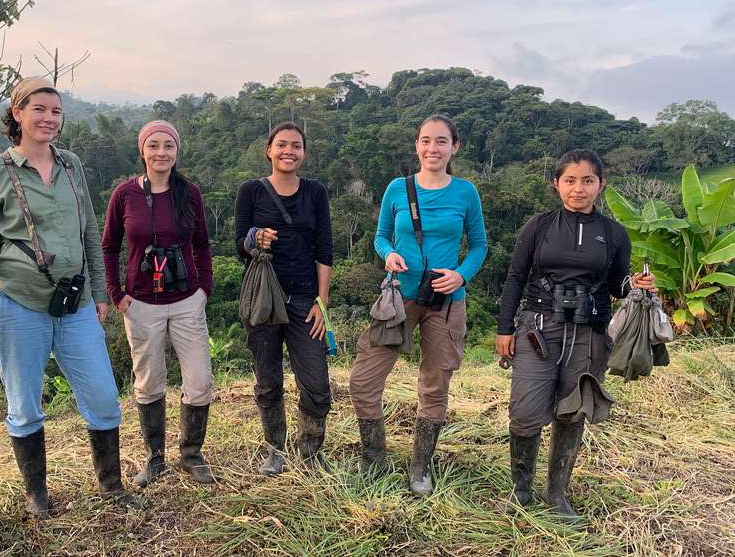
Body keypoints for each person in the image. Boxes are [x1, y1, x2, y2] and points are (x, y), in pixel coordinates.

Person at [0, 76, 135, 519]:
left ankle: (111, 487)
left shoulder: (71, 165)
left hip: (76, 302)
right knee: (25, 404)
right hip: (18, 302)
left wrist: (100, 291)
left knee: (103, 397)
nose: (49, 119)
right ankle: (37, 497)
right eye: (39, 110)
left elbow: (89, 229)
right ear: (17, 113)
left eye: (56, 112)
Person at [495, 149, 657, 516]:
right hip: (538, 329)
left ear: (601, 185)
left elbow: (617, 284)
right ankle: (521, 491)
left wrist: (635, 284)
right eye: (570, 180)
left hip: (589, 333)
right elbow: (516, 277)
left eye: (587, 181)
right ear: (557, 184)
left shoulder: (614, 234)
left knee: (573, 412)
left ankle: (557, 495)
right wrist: (505, 329)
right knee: (524, 412)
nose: (578, 188)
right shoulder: (539, 226)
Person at [349, 115, 488, 495]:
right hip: (398, 298)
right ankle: (374, 458)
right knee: (363, 379)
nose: (433, 148)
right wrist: (389, 253)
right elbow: (381, 236)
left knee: (435, 383)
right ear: (416, 145)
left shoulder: (465, 192)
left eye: (441, 141)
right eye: (426, 141)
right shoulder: (398, 188)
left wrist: (461, 275)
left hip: (446, 300)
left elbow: (479, 245)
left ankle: (420, 467)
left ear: (454, 147)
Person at [102, 120, 215, 487]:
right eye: (153, 146)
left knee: (199, 380)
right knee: (149, 382)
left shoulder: (190, 193)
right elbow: (109, 246)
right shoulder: (124, 195)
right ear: (142, 150)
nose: (161, 152)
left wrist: (204, 289)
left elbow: (202, 243)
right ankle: (155, 458)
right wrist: (117, 294)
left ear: (177, 151)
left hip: (186, 301)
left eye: (168, 146)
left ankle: (191, 454)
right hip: (141, 303)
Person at [234, 122, 334, 475]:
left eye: (296, 145)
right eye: (281, 145)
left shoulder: (315, 192)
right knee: (268, 380)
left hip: (305, 300)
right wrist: (254, 239)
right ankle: (275, 450)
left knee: (316, 383)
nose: (288, 151)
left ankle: (310, 452)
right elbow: (238, 245)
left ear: (304, 153)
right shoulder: (251, 191)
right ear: (269, 150)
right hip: (263, 297)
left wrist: (322, 303)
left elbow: (325, 249)